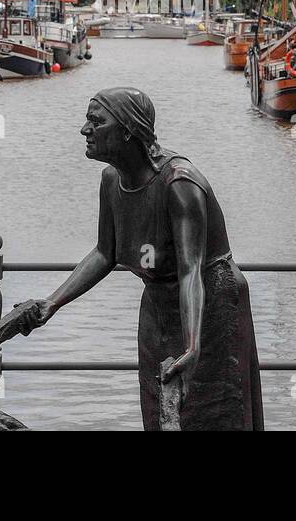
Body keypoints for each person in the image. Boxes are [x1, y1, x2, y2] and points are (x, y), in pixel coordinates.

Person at [15, 87, 263, 430]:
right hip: (159, 304)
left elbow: (191, 271)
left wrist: (193, 346)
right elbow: (105, 253)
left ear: (128, 130)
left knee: (213, 411)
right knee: (158, 406)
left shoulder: (180, 184)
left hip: (210, 305)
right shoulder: (111, 179)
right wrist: (52, 303)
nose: (84, 130)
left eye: (95, 122)